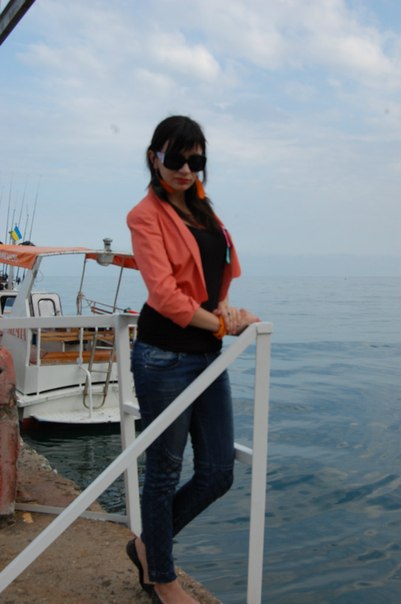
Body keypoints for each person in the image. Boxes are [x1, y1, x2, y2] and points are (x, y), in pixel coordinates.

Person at [126, 115, 260, 604]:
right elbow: (164, 295)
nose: (186, 168)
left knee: (218, 472)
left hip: (206, 355)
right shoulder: (145, 216)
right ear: (154, 158)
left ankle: (147, 546)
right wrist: (222, 324)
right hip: (163, 357)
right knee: (164, 472)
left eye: (196, 159)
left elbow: (214, 274)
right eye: (176, 158)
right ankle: (162, 579)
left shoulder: (205, 213)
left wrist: (225, 308)